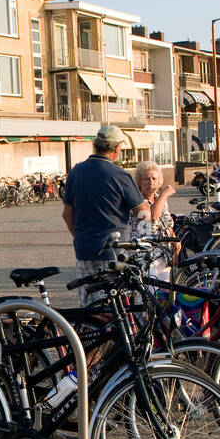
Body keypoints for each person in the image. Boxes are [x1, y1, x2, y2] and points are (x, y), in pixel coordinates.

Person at [62, 124, 150, 304]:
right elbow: (143, 213)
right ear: (117, 148)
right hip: (113, 249)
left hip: (84, 248)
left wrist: (80, 236)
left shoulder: (76, 172)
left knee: (89, 302)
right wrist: (143, 235)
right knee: (114, 305)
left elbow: (66, 214)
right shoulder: (120, 175)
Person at [128, 161, 179, 281]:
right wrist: (165, 193)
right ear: (139, 181)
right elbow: (153, 216)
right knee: (148, 294)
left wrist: (174, 240)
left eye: (154, 178)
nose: (151, 182)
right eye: (146, 179)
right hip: (144, 254)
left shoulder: (159, 199)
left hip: (161, 253)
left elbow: (166, 222)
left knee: (163, 294)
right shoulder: (137, 200)